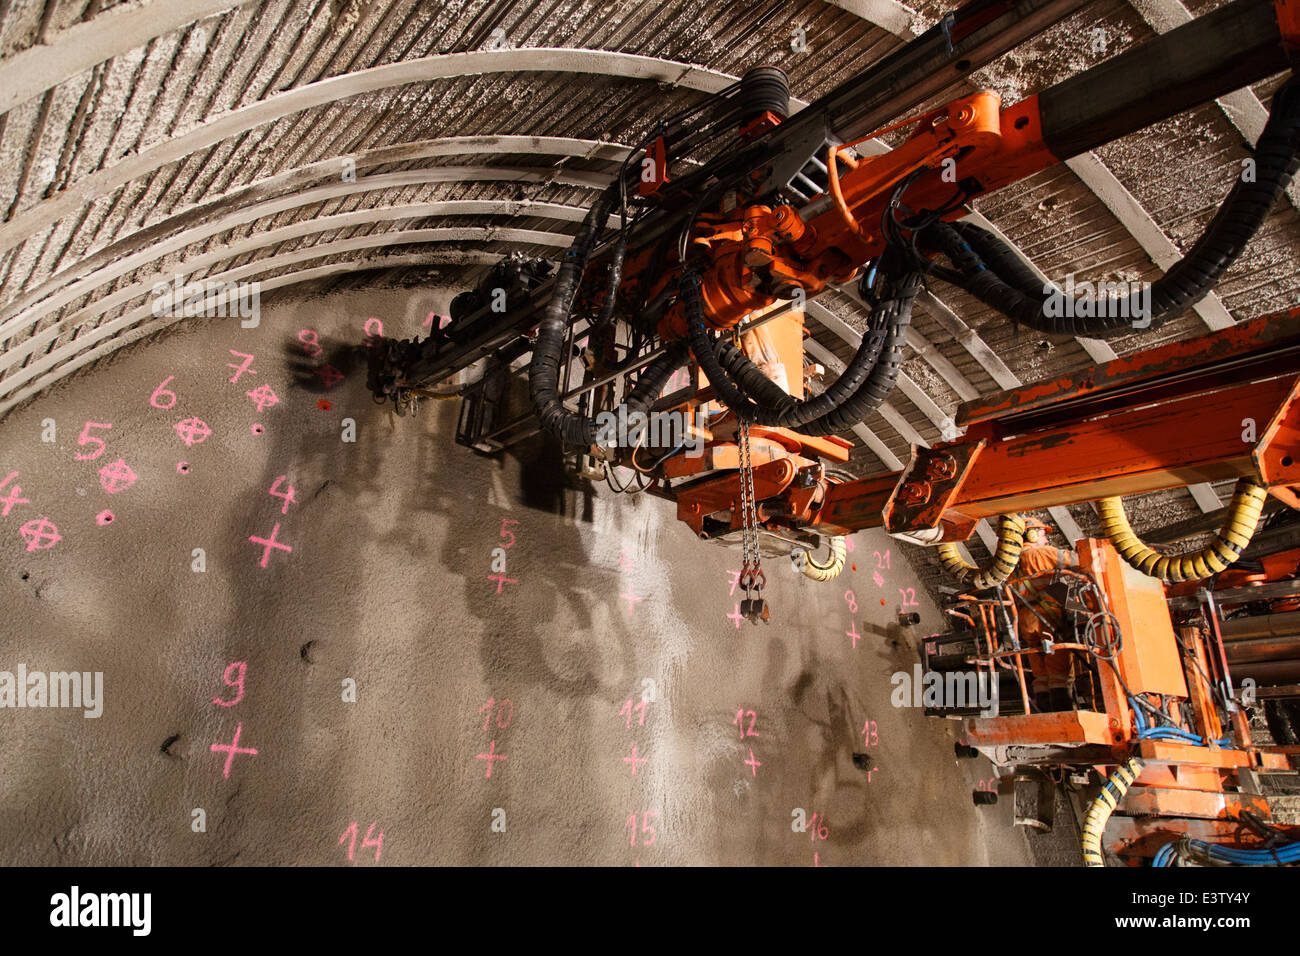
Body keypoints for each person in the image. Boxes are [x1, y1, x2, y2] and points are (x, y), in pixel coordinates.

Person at [1009, 517, 1077, 711]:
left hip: (1025, 619)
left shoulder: (1010, 564)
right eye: (1043, 534)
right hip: (1047, 616)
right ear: (1031, 534)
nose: (1046, 540)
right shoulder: (1041, 553)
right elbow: (1079, 560)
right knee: (1059, 670)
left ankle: (1045, 712)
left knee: (1040, 671)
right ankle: (1064, 715)